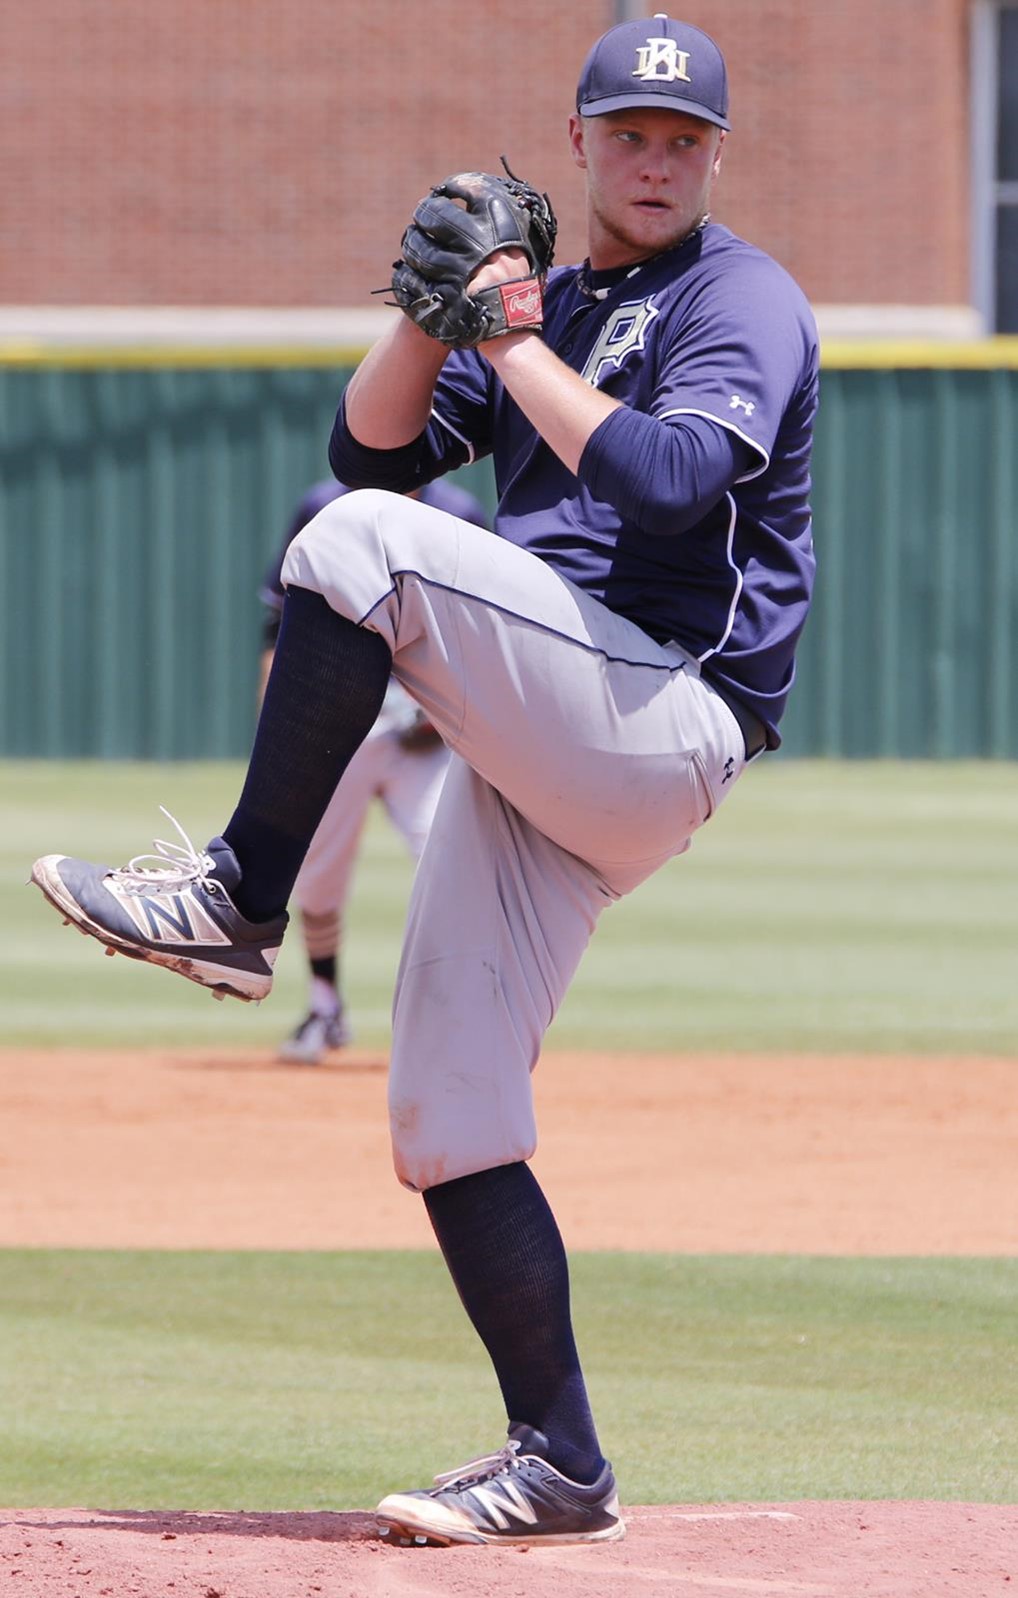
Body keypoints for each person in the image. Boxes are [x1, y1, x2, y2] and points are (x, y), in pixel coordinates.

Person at [32, 14, 818, 1548]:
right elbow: (371, 443)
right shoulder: (558, 296)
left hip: (662, 707)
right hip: (551, 736)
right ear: (578, 139)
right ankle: (558, 1458)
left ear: (716, 155)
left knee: (345, 551)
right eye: (628, 131)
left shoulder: (743, 297)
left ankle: (238, 896)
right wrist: (427, 307)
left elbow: (665, 479)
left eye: (684, 139)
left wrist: (510, 337)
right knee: (444, 1111)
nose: (655, 159)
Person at [260, 477, 489, 1064]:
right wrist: (279, 728)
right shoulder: (322, 505)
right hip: (336, 727)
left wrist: (450, 716)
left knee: (456, 865)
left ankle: (458, 1019)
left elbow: (488, 634)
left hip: (427, 728)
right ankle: (323, 1006)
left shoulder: (458, 512)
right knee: (316, 875)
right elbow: (279, 622)